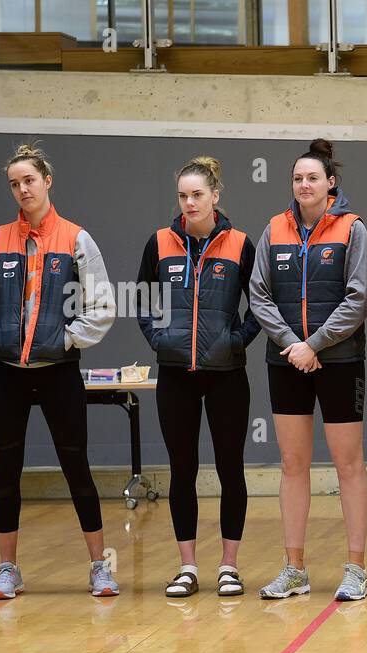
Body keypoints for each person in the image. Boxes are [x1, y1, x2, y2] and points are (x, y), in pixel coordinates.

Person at [0, 143, 119, 600]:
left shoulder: (75, 239)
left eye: (29, 180)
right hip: (6, 371)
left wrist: (66, 339)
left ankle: (99, 567)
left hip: (59, 372)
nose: (22, 189)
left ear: (47, 181)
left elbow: (103, 305)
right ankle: (8, 569)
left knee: (77, 466)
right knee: (6, 471)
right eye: (14, 183)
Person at [249, 138, 367, 601]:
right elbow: (259, 294)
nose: (304, 184)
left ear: (330, 184)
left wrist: (315, 344)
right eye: (298, 178)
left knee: (348, 464)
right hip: (286, 361)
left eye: (312, 178)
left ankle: (356, 570)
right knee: (293, 463)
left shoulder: (352, 229)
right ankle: (294, 568)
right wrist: (291, 344)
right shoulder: (274, 229)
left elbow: (358, 297)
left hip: (339, 360)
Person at [135, 156, 259, 597]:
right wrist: (161, 339)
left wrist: (234, 341)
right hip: (175, 377)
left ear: (215, 196)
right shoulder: (160, 242)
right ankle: (187, 566)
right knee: (181, 469)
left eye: (198, 195)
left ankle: (229, 565)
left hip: (226, 375)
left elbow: (259, 305)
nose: (189, 203)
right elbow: (144, 301)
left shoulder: (241, 244)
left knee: (230, 469)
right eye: (183, 196)